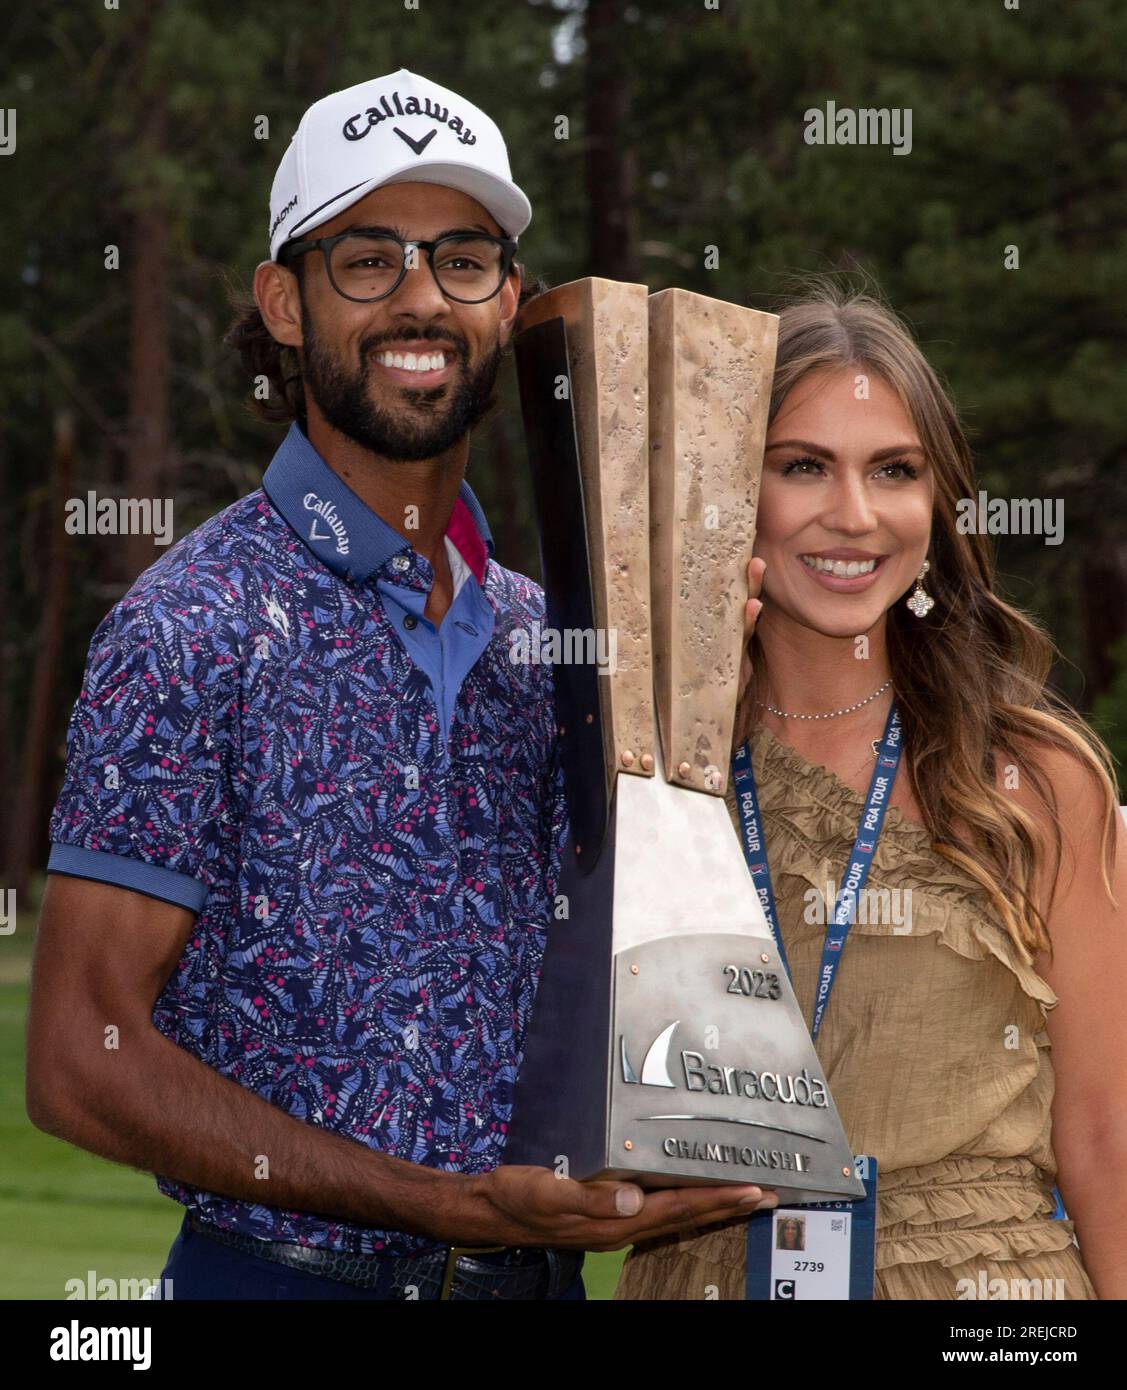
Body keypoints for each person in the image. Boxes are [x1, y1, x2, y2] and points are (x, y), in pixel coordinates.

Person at [26, 68, 775, 1302]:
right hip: (277, 1281)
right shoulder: (189, 627)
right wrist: (441, 1205)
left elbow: (636, 951)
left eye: (463, 258)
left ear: (510, 300)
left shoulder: (556, 642)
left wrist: (713, 707)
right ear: (283, 299)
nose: (421, 298)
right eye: (367, 259)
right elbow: (78, 1058)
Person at [614, 281, 1127, 1301]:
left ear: (935, 507)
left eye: (892, 471)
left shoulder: (1034, 780)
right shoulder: (657, 771)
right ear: (727, 488)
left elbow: (1106, 1136)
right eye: (801, 466)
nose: (852, 515)